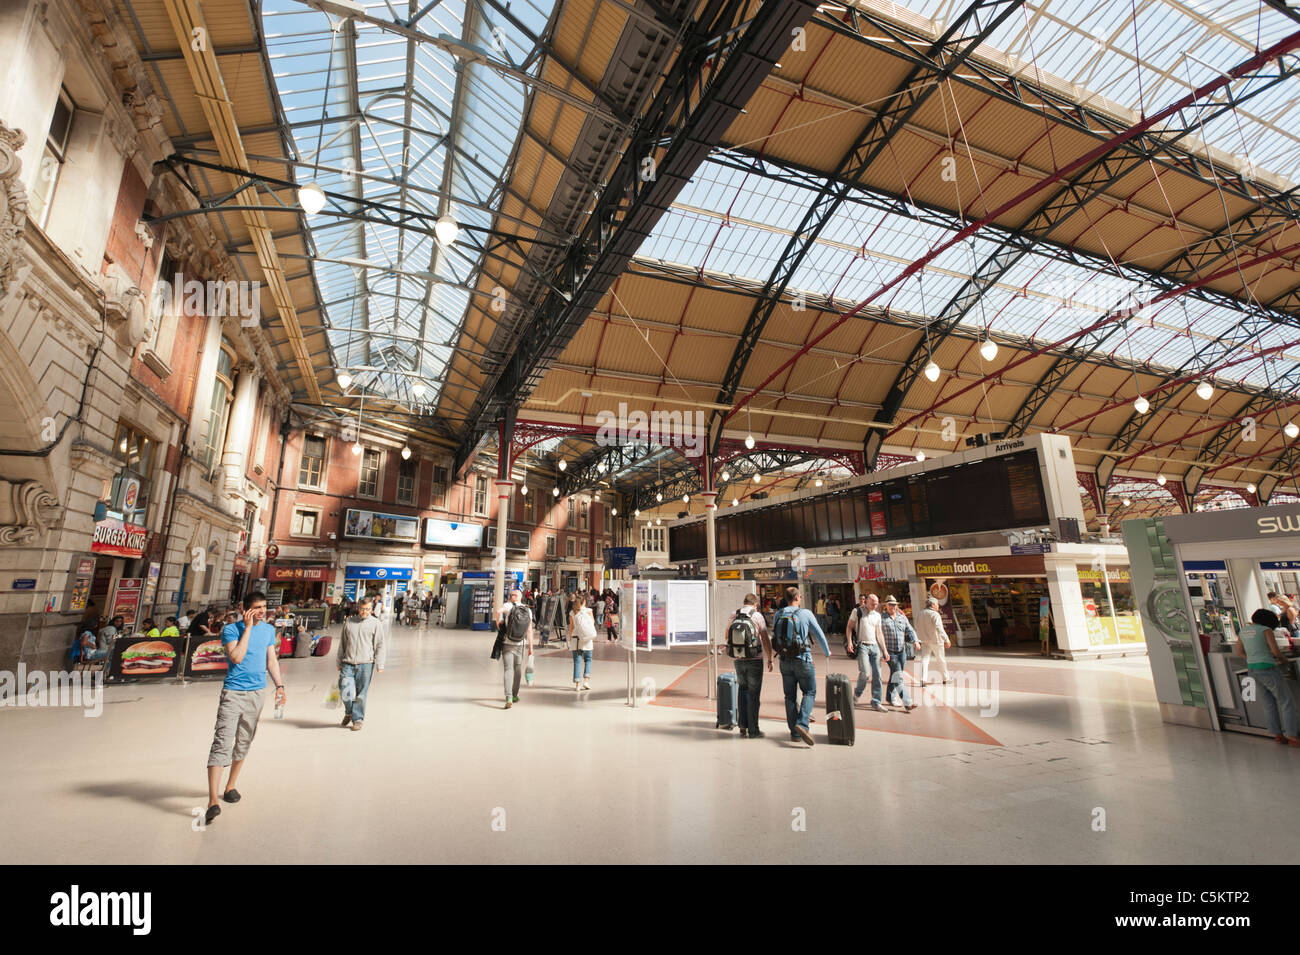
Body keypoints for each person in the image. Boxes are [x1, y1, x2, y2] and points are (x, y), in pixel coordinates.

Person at [204, 591, 285, 826]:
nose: (262, 611)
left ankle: (230, 786)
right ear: (245, 609)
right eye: (257, 607)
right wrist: (247, 629)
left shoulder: (269, 630)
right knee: (222, 740)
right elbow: (237, 657)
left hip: (257, 692)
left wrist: (279, 685)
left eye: (264, 607)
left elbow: (271, 660)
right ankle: (212, 801)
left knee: (244, 740)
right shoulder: (231, 630)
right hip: (234, 692)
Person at [771, 586, 831, 746]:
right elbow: (818, 633)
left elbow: (774, 635)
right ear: (797, 598)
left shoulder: (778, 614)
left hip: (784, 660)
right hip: (802, 659)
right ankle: (803, 724)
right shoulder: (805, 613)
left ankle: (794, 733)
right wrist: (827, 652)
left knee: (789, 697)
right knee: (810, 692)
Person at [1235, 608, 1300, 745]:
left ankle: (1277, 734)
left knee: (1268, 703)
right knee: (1286, 702)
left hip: (1252, 669)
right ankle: (1292, 736)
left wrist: (1252, 659)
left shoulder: (1243, 630)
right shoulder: (1266, 630)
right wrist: (1283, 660)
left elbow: (1239, 652)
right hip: (1268, 668)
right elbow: (1276, 651)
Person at [728, 593, 773, 739]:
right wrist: (770, 658)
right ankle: (754, 730)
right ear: (756, 604)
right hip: (755, 658)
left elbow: (726, 635)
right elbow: (765, 638)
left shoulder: (734, 614)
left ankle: (742, 725)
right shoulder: (757, 616)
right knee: (754, 695)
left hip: (738, 658)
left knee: (742, 690)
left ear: (744, 602)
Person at [338, 596, 386, 731]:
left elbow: (380, 645)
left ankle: (357, 719)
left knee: (361, 694)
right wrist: (339, 660)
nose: (365, 612)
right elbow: (342, 643)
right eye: (362, 609)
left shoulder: (376, 624)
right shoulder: (349, 622)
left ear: (371, 609)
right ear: (358, 608)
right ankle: (349, 711)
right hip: (348, 662)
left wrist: (380, 664)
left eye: (368, 609)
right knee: (344, 690)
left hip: (366, 664)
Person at [847, 593, 887, 711]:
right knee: (865, 674)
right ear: (867, 601)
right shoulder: (857, 612)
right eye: (872, 603)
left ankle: (876, 701)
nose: (875, 605)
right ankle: (856, 695)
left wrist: (884, 650)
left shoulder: (877, 615)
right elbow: (849, 627)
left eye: (876, 604)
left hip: (875, 646)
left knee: (878, 675)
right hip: (862, 645)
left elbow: (879, 633)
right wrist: (849, 642)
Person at [496, 588, 534, 708]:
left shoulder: (507, 606)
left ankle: (508, 697)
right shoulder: (527, 609)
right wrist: (531, 648)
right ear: (521, 597)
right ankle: (515, 694)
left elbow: (497, 611)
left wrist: (499, 622)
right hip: (520, 644)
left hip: (507, 642)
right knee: (517, 670)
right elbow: (529, 630)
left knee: (508, 669)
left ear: (512, 597)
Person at [880, 596, 918, 711]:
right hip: (890, 652)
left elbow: (910, 630)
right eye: (890, 604)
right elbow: (877, 635)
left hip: (901, 652)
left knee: (895, 674)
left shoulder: (902, 618)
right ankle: (907, 702)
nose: (893, 606)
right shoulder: (881, 619)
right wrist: (881, 652)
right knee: (898, 676)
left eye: (894, 604)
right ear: (886, 606)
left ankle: (889, 697)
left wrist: (915, 640)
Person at [917, 596, 952, 685]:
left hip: (925, 640)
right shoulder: (935, 614)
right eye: (937, 604)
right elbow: (939, 628)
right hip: (936, 640)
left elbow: (917, 626)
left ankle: (923, 679)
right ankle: (945, 678)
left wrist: (919, 639)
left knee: (925, 659)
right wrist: (946, 639)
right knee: (941, 659)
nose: (938, 606)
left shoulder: (920, 613)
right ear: (932, 605)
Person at [570, 598, 597, 690]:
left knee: (577, 661)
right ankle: (586, 681)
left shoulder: (572, 612)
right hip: (587, 639)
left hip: (576, 639)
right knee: (588, 660)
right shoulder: (589, 611)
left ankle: (577, 684)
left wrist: (570, 639)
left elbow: (571, 627)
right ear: (584, 602)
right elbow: (592, 623)